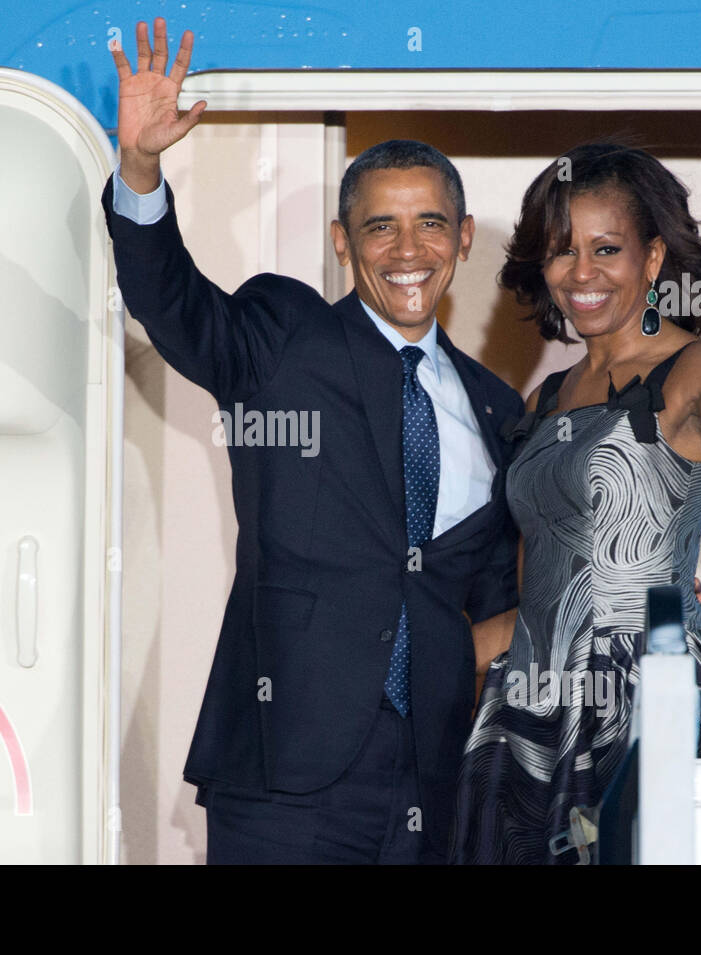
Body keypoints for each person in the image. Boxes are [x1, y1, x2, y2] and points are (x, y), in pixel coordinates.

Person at [104, 18, 524, 863]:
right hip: (282, 770)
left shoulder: (497, 407)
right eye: (379, 227)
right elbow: (175, 304)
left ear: (464, 239)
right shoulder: (284, 336)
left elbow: (489, 598)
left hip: (431, 779)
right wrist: (141, 168)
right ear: (342, 243)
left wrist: (625, 588)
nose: (408, 250)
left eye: (431, 224)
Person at [452, 142, 701, 864]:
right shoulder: (546, 398)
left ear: (653, 259)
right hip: (531, 717)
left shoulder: (695, 370)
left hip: (653, 707)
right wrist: (404, 655)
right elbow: (546, 596)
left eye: (607, 249)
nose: (582, 273)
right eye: (563, 251)